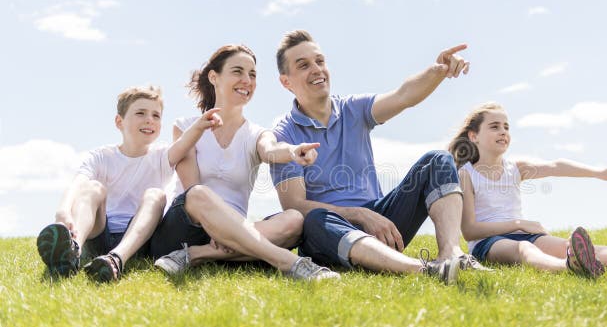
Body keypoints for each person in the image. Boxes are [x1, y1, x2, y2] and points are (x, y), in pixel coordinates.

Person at [269, 30, 489, 285]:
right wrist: (360, 215)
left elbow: (403, 96)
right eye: (304, 65)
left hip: (381, 226)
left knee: (437, 159)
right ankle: (423, 270)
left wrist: (437, 71)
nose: (317, 69)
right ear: (286, 82)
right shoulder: (284, 134)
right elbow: (295, 205)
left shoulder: (353, 108)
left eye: (320, 61)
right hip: (329, 234)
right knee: (315, 220)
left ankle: (452, 255)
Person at [150, 44, 339, 281]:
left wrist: (292, 152)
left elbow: (271, 150)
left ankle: (197, 255)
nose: (247, 80)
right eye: (238, 71)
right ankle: (288, 262)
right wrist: (221, 229)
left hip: (235, 231)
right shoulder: (187, 126)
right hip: (187, 225)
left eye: (252, 75)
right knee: (199, 193)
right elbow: (190, 188)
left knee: (294, 220)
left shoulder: (256, 133)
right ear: (214, 77)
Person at [449, 102, 607, 278]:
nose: (503, 132)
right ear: (473, 136)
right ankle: (568, 267)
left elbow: (557, 166)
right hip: (488, 242)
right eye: (494, 126)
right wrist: (518, 224)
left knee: (565, 246)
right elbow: (469, 231)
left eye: (506, 127)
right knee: (524, 249)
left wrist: (598, 172)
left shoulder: (516, 168)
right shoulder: (466, 174)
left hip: (524, 233)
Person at [36, 85, 222, 281]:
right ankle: (73, 251)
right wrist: (63, 211)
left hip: (139, 241)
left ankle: (116, 260)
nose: (149, 119)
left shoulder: (161, 156)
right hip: (101, 234)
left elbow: (184, 143)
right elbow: (78, 183)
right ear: (119, 121)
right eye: (140, 113)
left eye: (156, 115)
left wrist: (201, 125)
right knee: (93, 188)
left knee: (156, 195)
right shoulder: (101, 156)